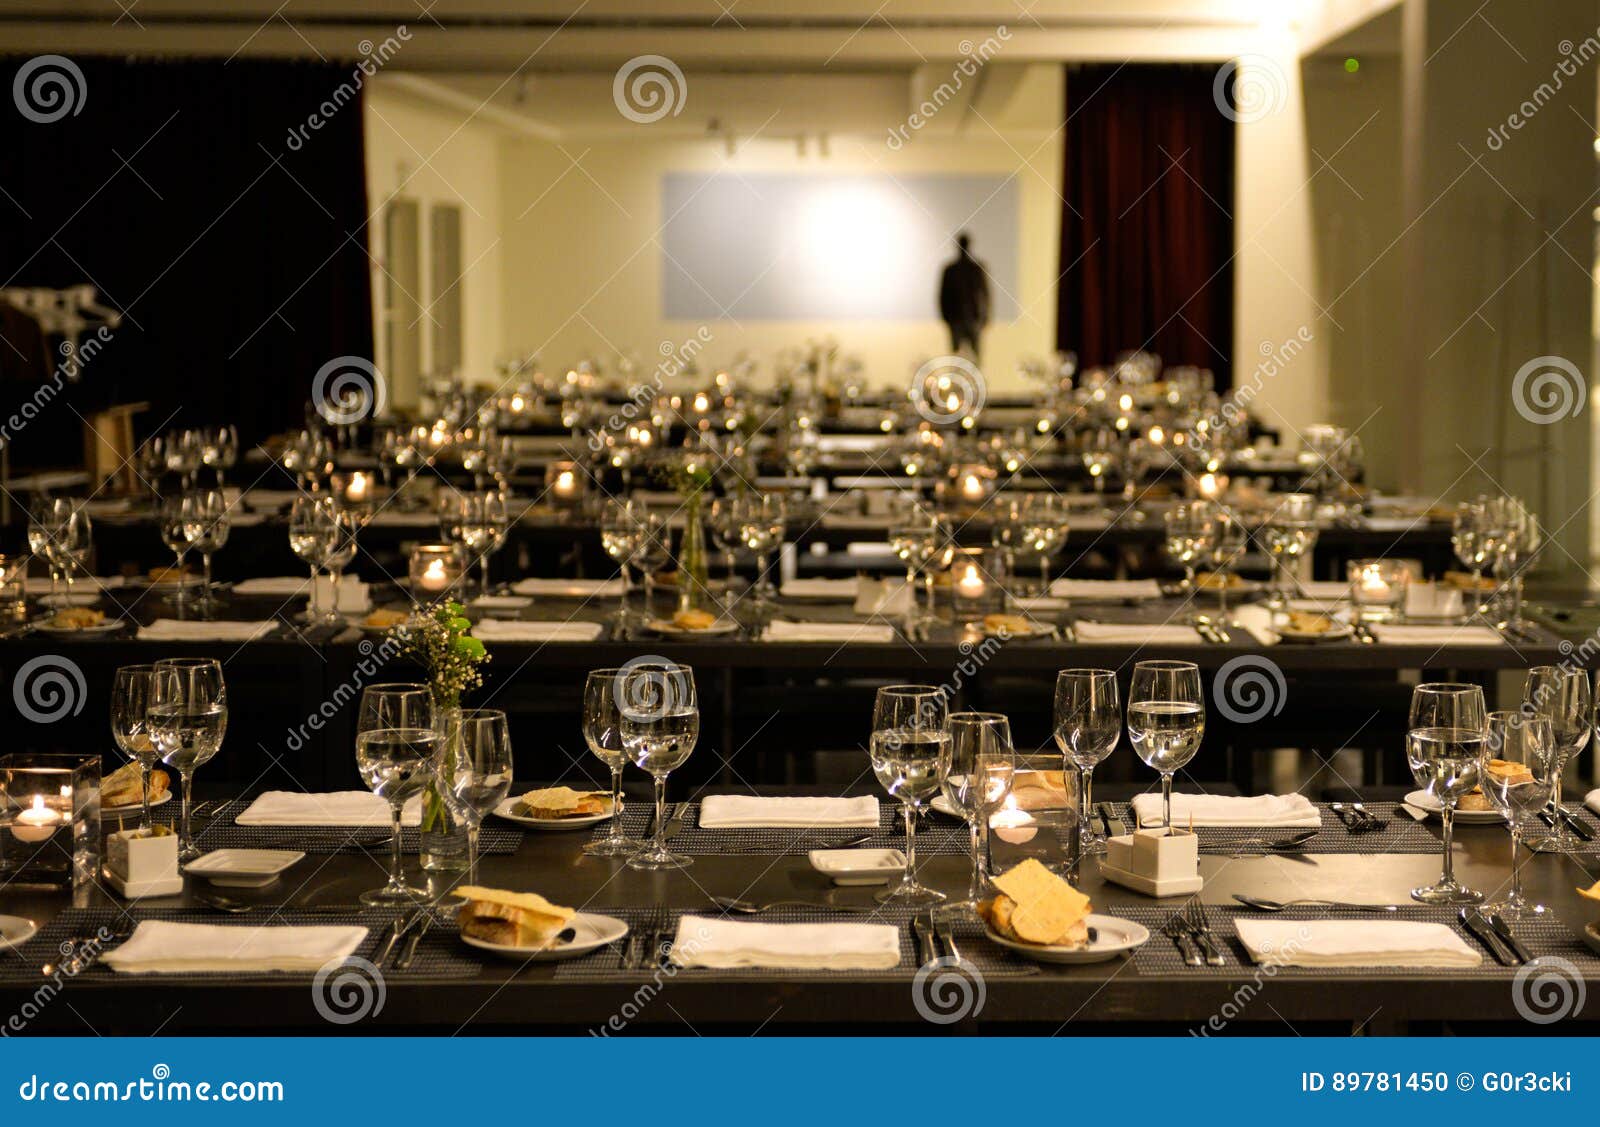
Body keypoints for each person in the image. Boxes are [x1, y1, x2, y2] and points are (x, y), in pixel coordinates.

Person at [938, 232, 990, 360]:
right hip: (958, 319)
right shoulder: (950, 270)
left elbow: (984, 294)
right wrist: (947, 318)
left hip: (972, 319)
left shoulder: (975, 269)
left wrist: (984, 317)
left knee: (974, 359)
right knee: (957, 357)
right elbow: (943, 296)